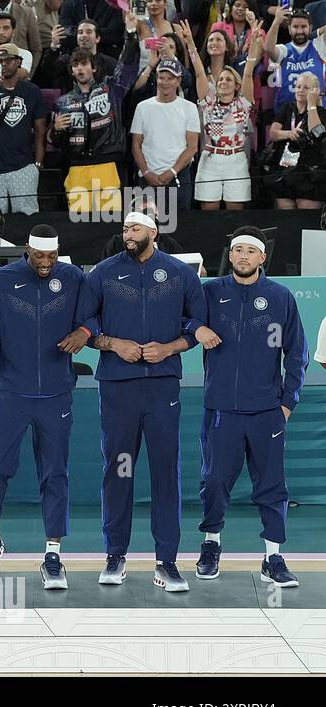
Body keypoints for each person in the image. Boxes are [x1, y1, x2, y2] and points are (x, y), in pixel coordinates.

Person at [74, 211, 212, 593]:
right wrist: (113, 343)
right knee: (120, 470)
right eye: (124, 229)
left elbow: (196, 324)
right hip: (118, 389)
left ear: (153, 232)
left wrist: (168, 348)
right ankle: (115, 555)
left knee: (166, 473)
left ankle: (166, 562)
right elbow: (84, 324)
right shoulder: (102, 273)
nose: (127, 234)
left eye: (134, 228)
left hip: (162, 390)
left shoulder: (181, 274)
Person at [0, 224, 87, 589]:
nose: (46, 263)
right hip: (10, 391)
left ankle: (53, 554)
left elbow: (95, 313)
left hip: (56, 393)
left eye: (51, 256)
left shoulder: (74, 277)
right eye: (39, 257)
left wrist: (83, 331)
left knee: (54, 473)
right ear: (27, 251)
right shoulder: (1, 279)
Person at [195, 228, 308, 589]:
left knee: (272, 486)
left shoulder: (280, 297)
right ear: (230, 256)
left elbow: (297, 354)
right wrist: (197, 328)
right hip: (221, 410)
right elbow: (183, 321)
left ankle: (272, 556)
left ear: (262, 258)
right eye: (237, 250)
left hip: (266, 413)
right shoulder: (210, 292)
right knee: (214, 482)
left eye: (250, 251)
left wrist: (287, 404)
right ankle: (211, 544)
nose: (243, 256)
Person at [50, 13, 140, 215]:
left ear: (94, 67)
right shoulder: (63, 102)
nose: (80, 69)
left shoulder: (110, 90)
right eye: (76, 65)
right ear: (71, 71)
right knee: (79, 225)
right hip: (76, 169)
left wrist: (132, 34)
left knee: (109, 223)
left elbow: (128, 67)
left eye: (84, 64)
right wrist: (56, 131)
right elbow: (55, 141)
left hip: (107, 165)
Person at [188, 21, 261, 211]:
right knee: (209, 215)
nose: (224, 82)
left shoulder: (243, 104)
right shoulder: (208, 103)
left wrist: (253, 44)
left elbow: (247, 74)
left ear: (236, 85)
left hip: (236, 160)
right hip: (210, 159)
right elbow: (198, 73)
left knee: (234, 215)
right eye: (221, 79)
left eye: (229, 79)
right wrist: (190, 44)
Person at [0, 42, 48, 215]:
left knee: (26, 218)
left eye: (9, 59)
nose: (4, 64)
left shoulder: (32, 91)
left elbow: (40, 131)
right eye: (0, 60)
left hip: (23, 166)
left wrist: (37, 164)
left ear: (19, 62)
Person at [129, 57, 199, 211]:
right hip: (147, 179)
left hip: (179, 178)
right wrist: (147, 173)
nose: (165, 82)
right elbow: (135, 145)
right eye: (162, 77)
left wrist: (172, 172)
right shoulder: (143, 107)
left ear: (178, 80)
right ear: (156, 78)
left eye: (170, 78)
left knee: (182, 226)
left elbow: (192, 147)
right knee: (146, 225)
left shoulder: (190, 108)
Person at [266, 72, 325, 211]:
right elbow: (273, 133)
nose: (300, 90)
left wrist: (311, 105)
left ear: (315, 91)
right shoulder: (287, 108)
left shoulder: (321, 113)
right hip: (285, 170)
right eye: (298, 86)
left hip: (309, 174)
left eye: (306, 87)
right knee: (286, 217)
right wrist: (288, 133)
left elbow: (317, 133)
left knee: (305, 216)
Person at [265, 7, 326, 113]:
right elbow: (268, 48)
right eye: (295, 27)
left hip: (316, 111)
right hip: (286, 113)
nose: (299, 31)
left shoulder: (319, 46)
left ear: (310, 28)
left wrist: (316, 32)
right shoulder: (284, 49)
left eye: (303, 27)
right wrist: (276, 22)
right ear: (289, 28)